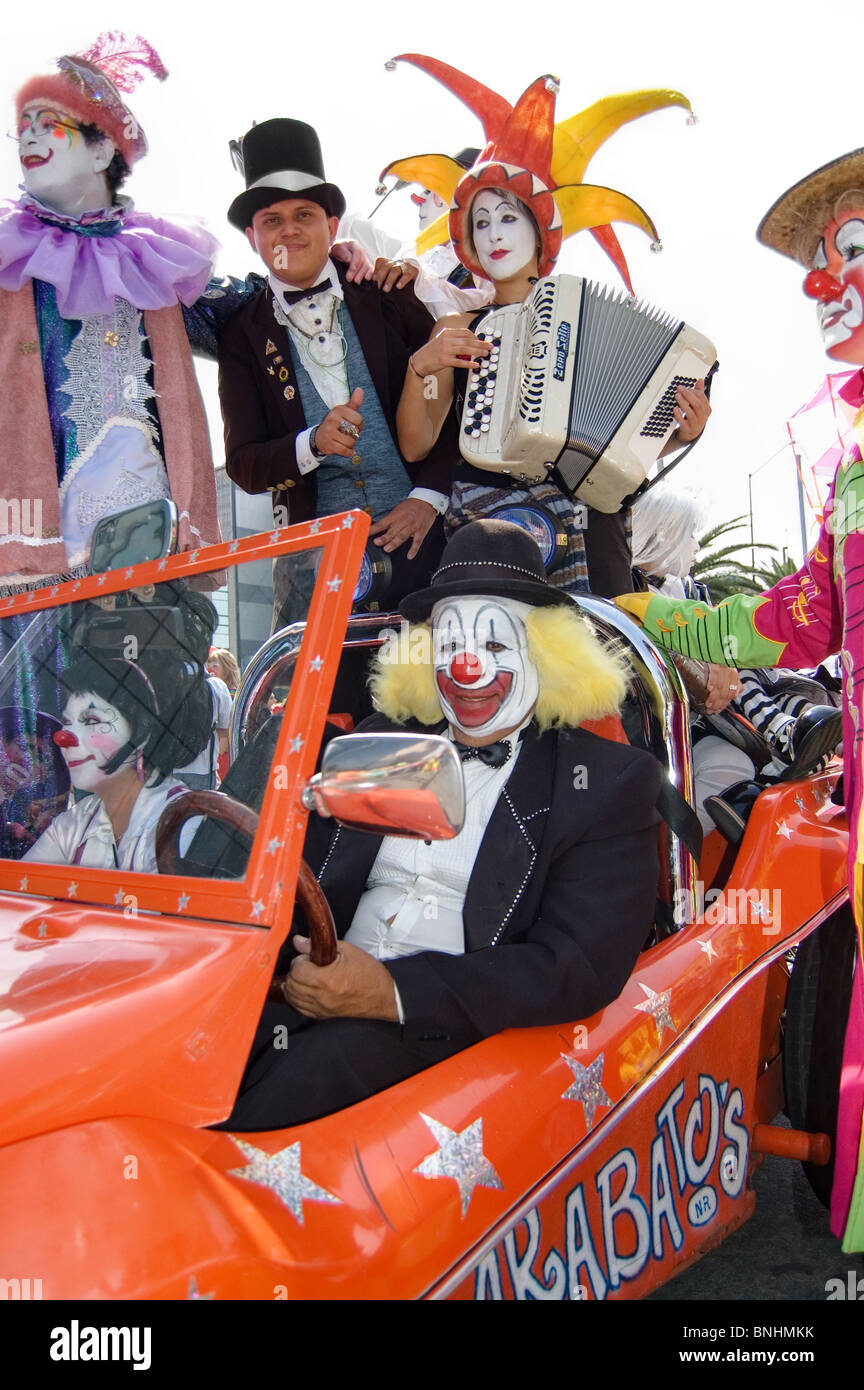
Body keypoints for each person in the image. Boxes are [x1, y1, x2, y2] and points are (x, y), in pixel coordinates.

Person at [616, 147, 864, 1253]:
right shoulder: (848, 453)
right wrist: (657, 619)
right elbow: (800, 622)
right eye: (823, 261)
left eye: (853, 253)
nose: (828, 282)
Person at [222, 519, 661, 1129]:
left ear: (547, 654)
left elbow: (576, 966)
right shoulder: (373, 747)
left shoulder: (606, 783)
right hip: (298, 993)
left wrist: (389, 993)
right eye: (449, 646)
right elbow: (280, 875)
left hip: (447, 1033)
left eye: (496, 647)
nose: (467, 668)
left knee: (281, 1106)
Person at [387, 59, 711, 598]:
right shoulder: (453, 327)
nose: (494, 234)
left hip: (589, 529)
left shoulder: (589, 316)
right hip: (491, 533)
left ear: (543, 233)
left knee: (595, 676)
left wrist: (684, 430)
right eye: (482, 221)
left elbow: (634, 440)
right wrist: (423, 366)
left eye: (509, 218)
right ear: (464, 238)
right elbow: (416, 446)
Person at [0, 34, 225, 592]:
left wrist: (348, 265)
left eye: (48, 121)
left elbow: (254, 318)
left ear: (103, 152)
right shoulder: (9, 253)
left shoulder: (157, 259)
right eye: (22, 123)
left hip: (148, 539)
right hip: (34, 551)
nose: (28, 135)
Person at [218, 118, 459, 629]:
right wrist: (311, 444)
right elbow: (242, 463)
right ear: (252, 237)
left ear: (332, 225)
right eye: (271, 220)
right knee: (330, 707)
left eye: (304, 214)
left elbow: (455, 401)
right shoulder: (240, 332)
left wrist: (427, 498)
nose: (289, 230)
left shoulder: (392, 292)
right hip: (316, 569)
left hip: (426, 549)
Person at [24, 654, 192, 873]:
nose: (64, 738)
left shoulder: (182, 820)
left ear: (141, 732)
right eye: (67, 722)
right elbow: (18, 891)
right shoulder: (76, 823)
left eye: (91, 720)